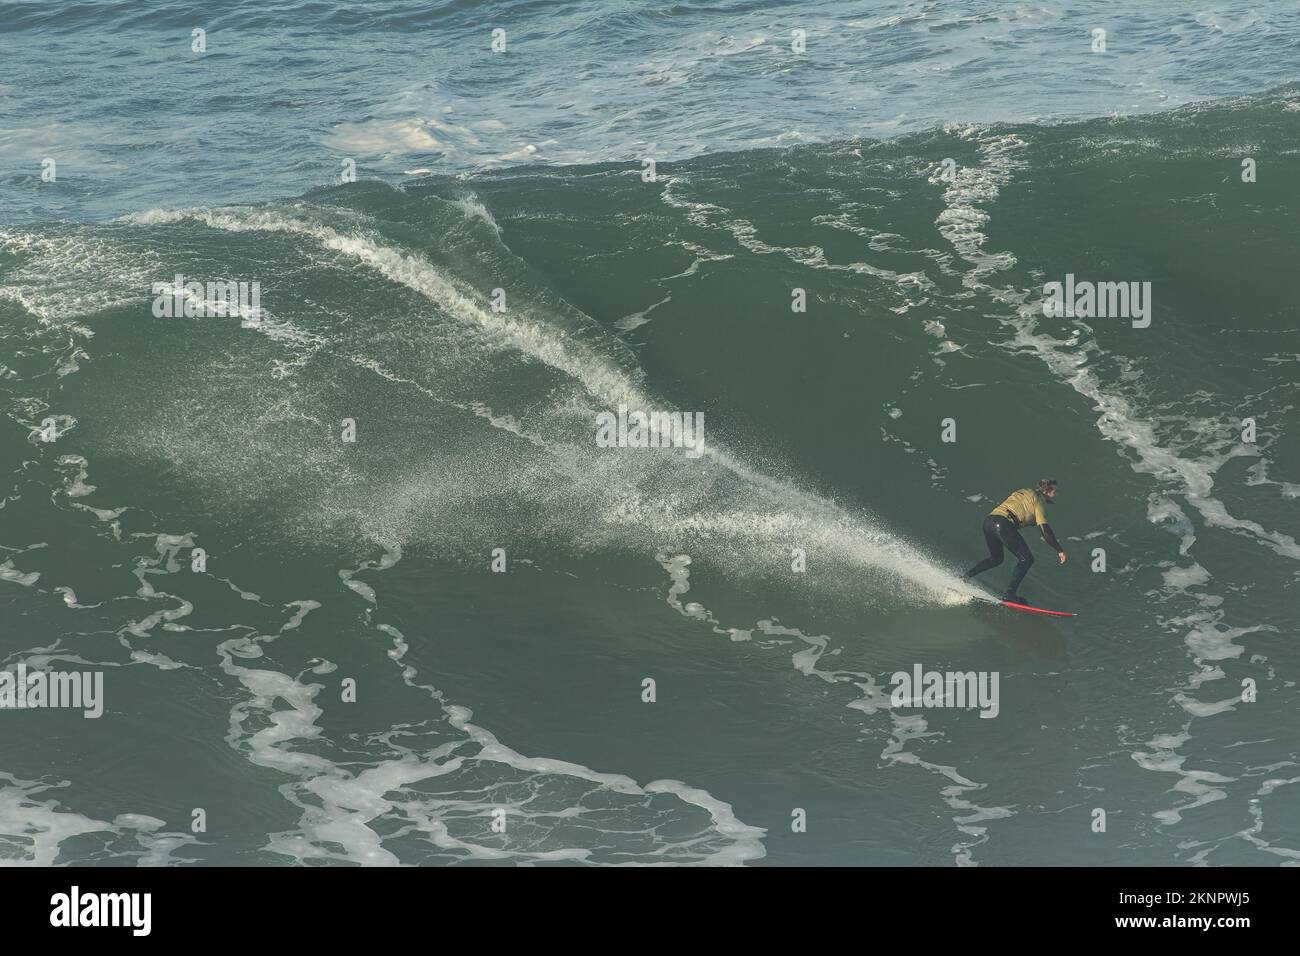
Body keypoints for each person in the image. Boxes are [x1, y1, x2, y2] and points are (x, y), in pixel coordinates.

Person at [962, 478, 1066, 603]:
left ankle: (965, 576)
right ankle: (1009, 595)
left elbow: (1021, 508)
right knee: (1027, 559)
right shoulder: (1039, 503)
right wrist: (1059, 550)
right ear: (1048, 491)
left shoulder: (1025, 491)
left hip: (989, 521)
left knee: (996, 559)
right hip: (1003, 524)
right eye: (1055, 492)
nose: (1056, 495)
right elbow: (1045, 530)